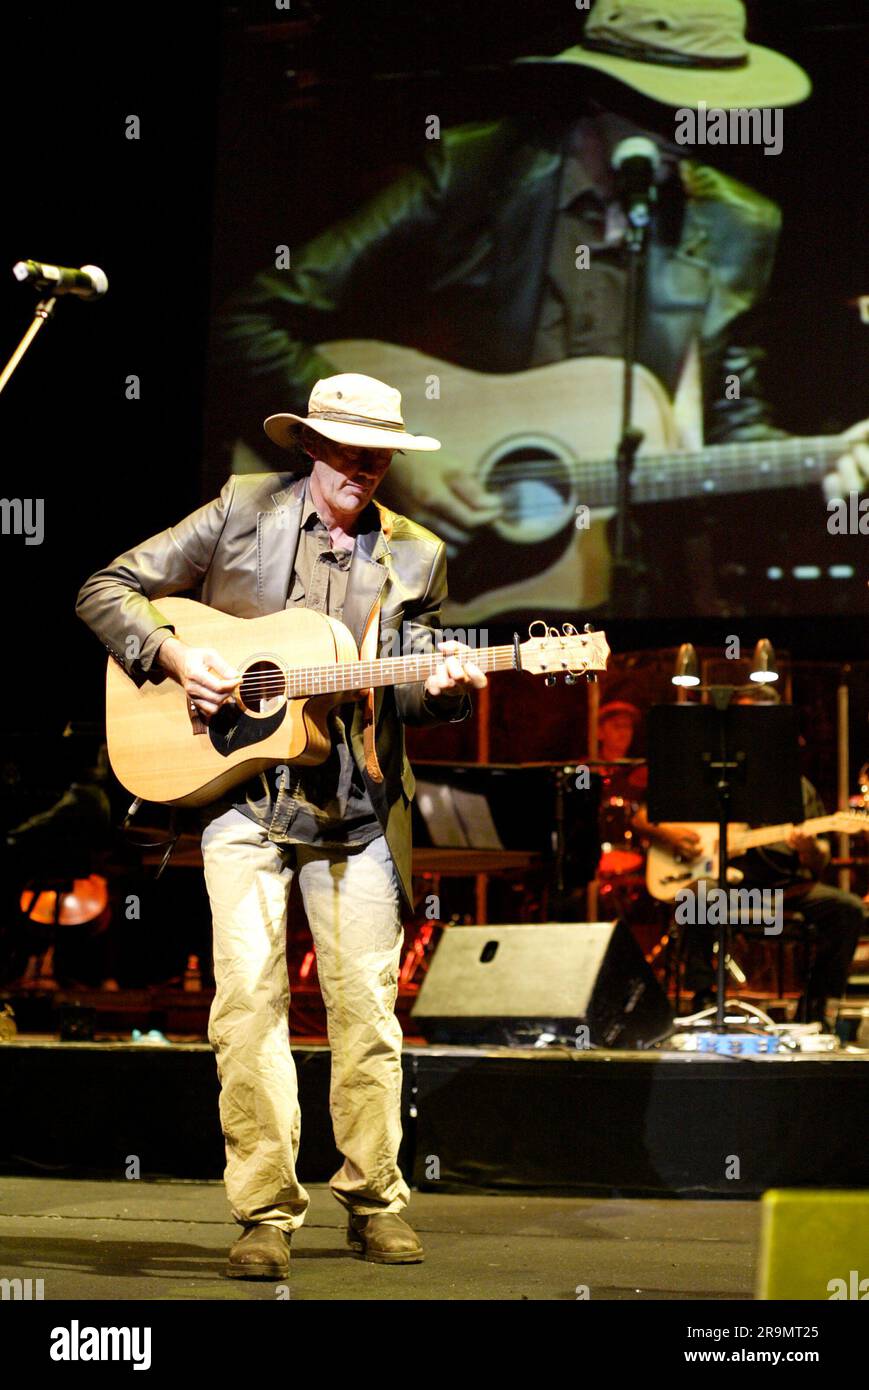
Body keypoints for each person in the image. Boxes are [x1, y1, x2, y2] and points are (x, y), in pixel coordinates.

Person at [216, 0, 867, 597]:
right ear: (597, 94)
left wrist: (823, 464)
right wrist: (379, 456)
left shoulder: (735, 222)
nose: (692, 125)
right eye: (664, 103)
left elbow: (729, 423)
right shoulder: (476, 172)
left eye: (707, 105)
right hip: (446, 578)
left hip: (644, 582)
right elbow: (248, 322)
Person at [76, 373, 487, 1277]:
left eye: (379, 453)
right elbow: (107, 588)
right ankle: (264, 1212)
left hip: (357, 812)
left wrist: (445, 689)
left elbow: (411, 691)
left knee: (366, 1014)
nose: (364, 468)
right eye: (347, 448)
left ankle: (375, 1198)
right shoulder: (238, 510)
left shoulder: (416, 555)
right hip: (244, 803)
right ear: (310, 445)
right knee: (247, 1007)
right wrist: (177, 654)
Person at [636, 691, 865, 1022]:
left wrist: (807, 848)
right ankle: (702, 1002)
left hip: (783, 895)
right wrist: (674, 836)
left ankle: (815, 1011)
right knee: (697, 897)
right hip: (729, 892)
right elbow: (642, 816)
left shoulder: (798, 788)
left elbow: (821, 860)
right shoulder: (713, 778)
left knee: (847, 909)